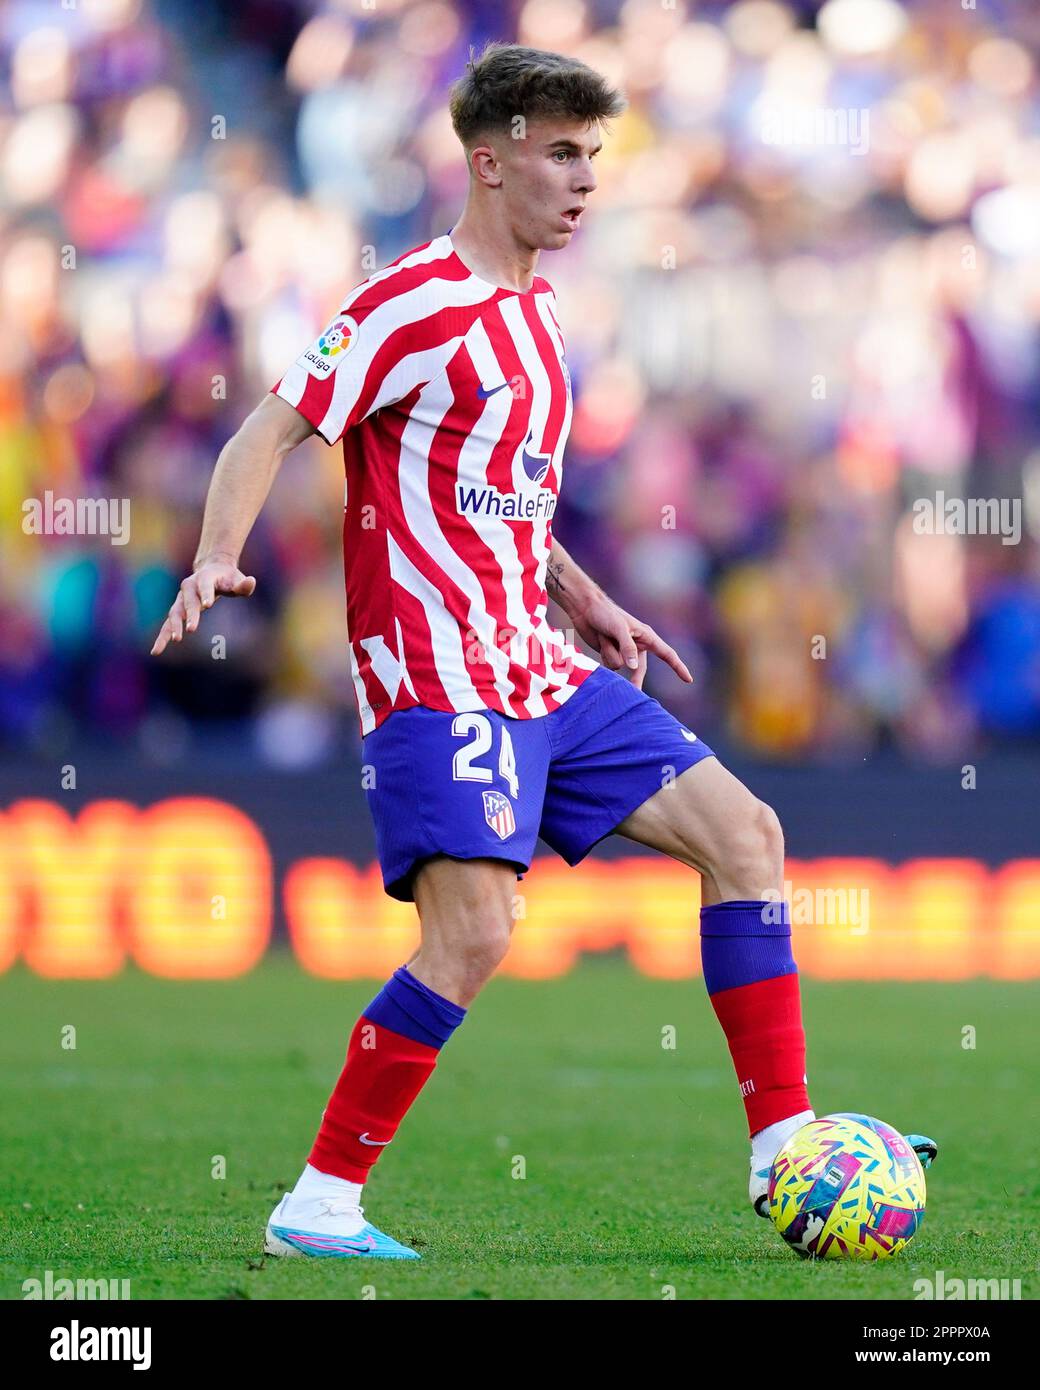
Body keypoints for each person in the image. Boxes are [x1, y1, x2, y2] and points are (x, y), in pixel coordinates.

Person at [151, 43, 934, 1260]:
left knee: (747, 838)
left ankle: (783, 1141)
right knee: (472, 936)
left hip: (539, 660)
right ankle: (318, 1203)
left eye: (591, 157)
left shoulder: (536, 311)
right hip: (437, 670)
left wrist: (585, 596)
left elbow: (502, 494)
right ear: (489, 158)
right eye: (561, 154)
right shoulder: (411, 301)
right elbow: (269, 426)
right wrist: (213, 555)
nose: (582, 181)